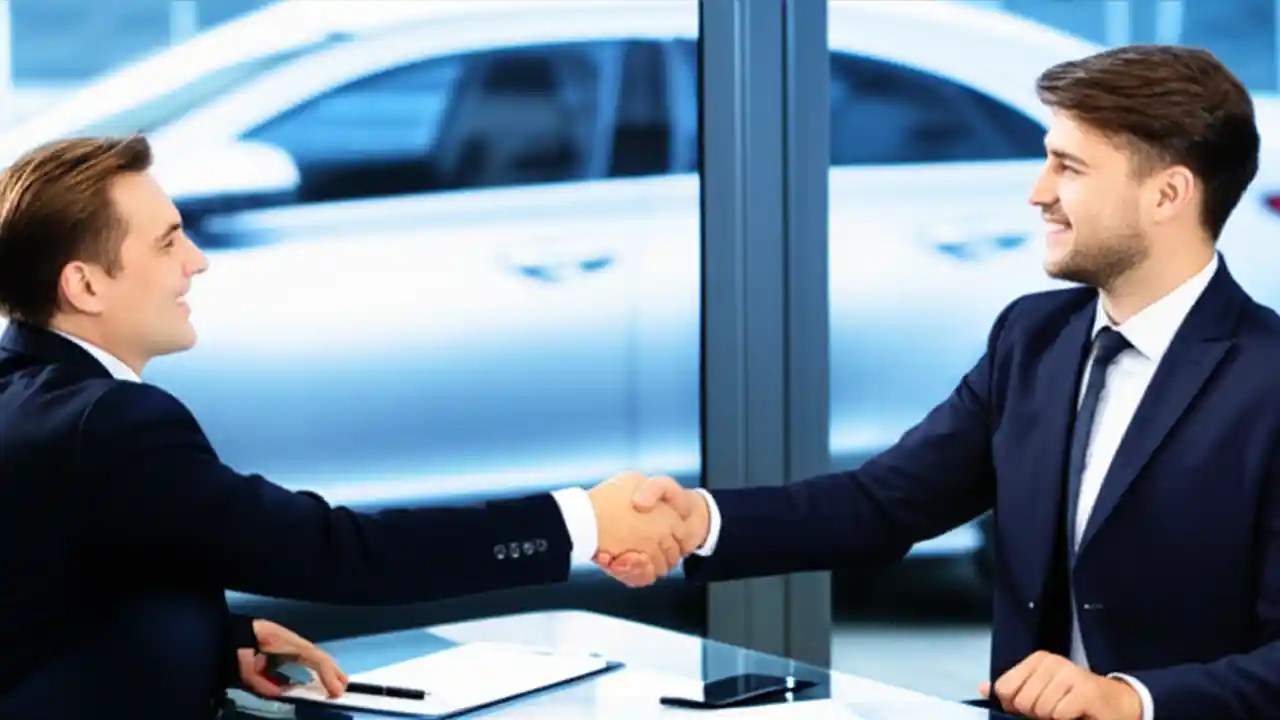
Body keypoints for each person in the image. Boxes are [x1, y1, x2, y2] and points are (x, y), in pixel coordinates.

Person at [600, 44, 1277, 720]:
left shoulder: (1266, 379)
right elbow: (883, 503)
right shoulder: (1033, 338)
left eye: (1067, 167)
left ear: (1168, 194)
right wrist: (699, 522)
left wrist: (1132, 699)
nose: (1038, 191)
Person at [0, 136, 701, 717]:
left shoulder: (28, 396)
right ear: (85, 285)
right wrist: (581, 520)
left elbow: (59, 581)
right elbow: (338, 552)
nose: (197, 261)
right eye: (167, 243)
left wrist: (217, 638)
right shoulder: (113, 422)